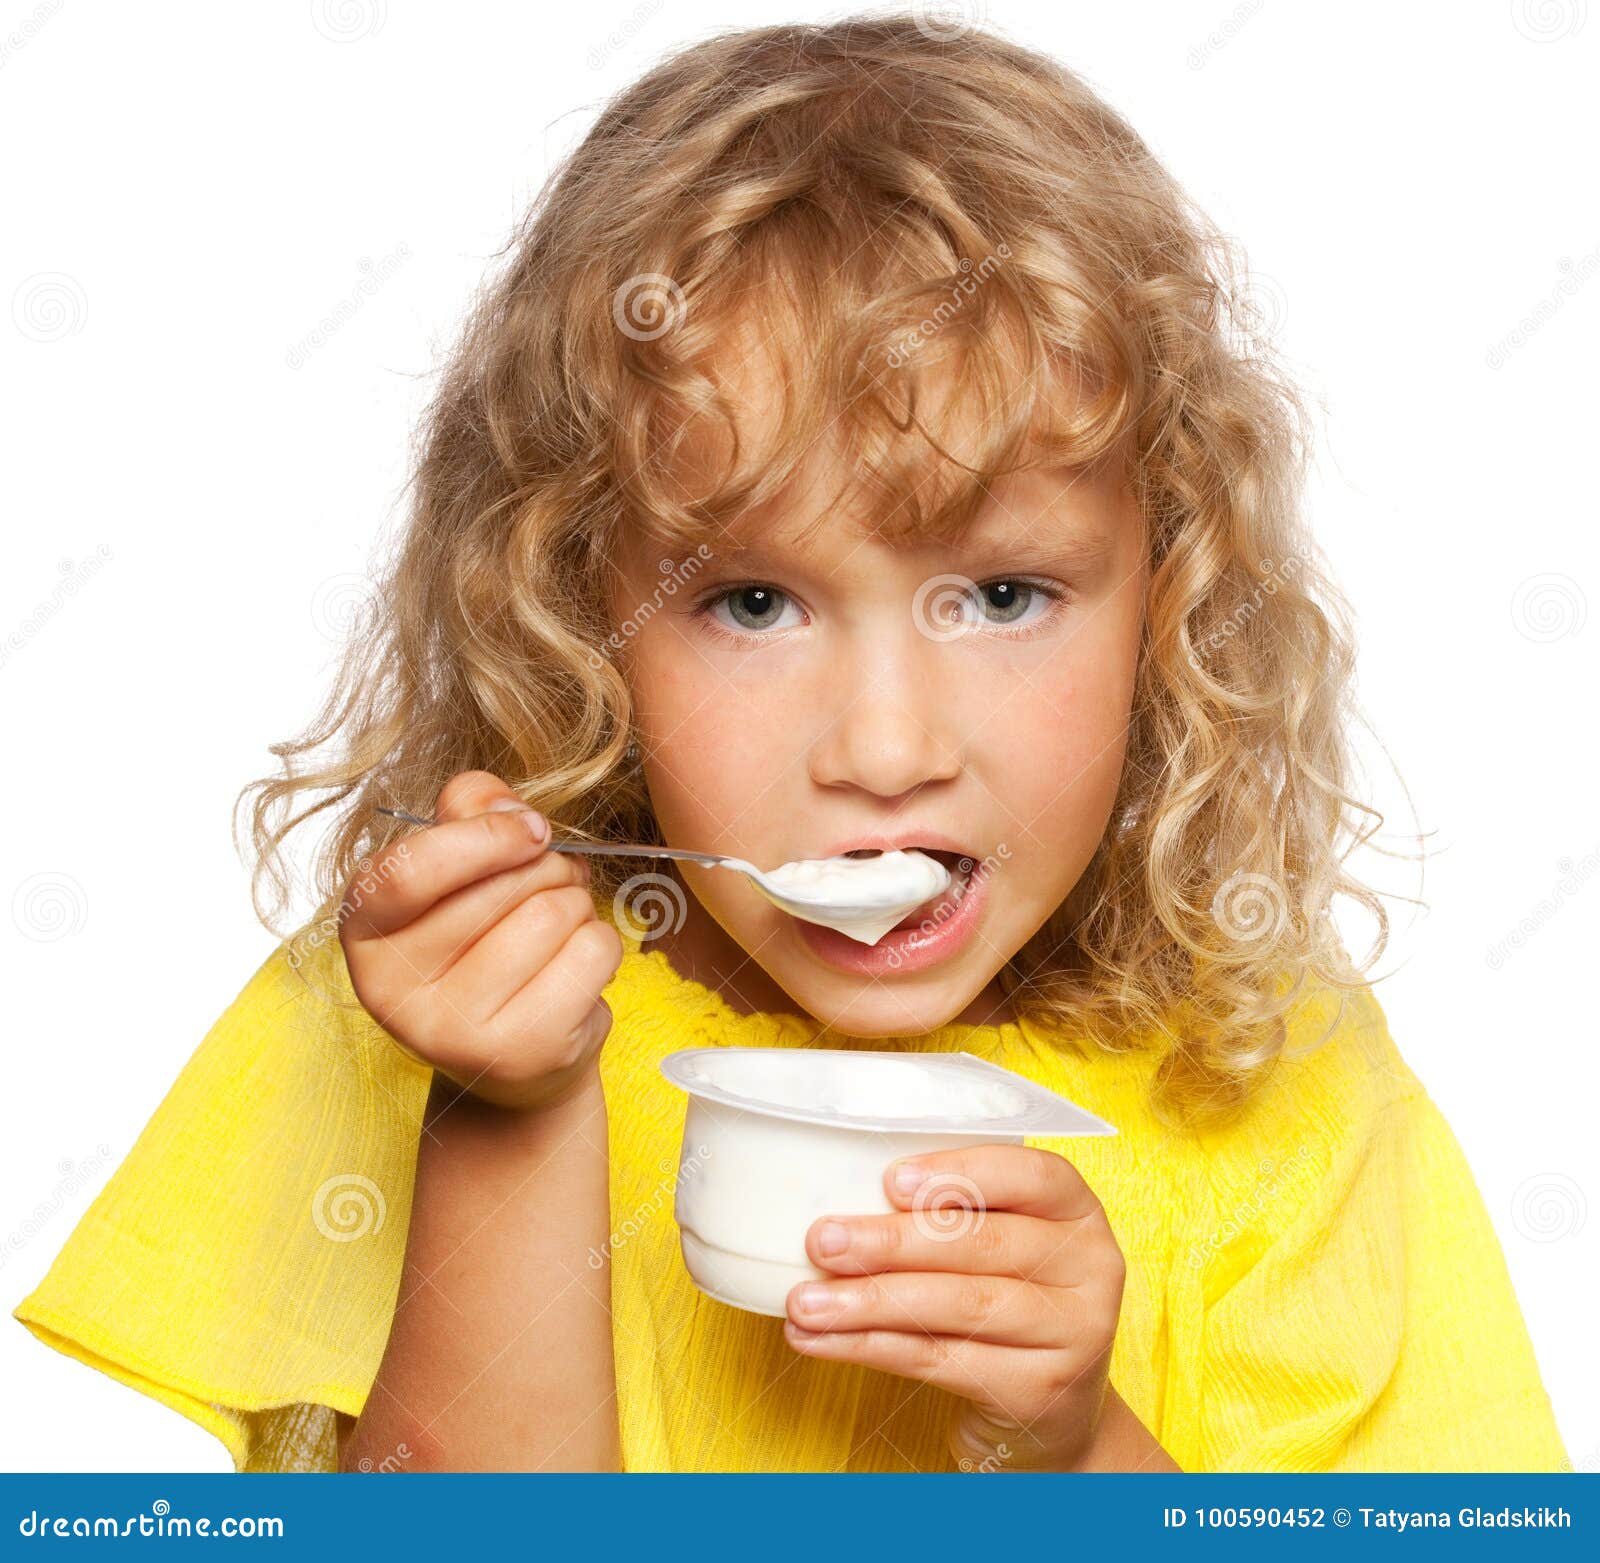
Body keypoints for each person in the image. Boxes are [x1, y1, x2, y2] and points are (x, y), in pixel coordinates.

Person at [14, 14, 1569, 1474]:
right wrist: (518, 1108)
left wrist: (1078, 1451)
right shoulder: (443, 1001)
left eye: (1004, 593)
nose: (885, 748)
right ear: (575, 609)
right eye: (752, 602)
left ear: (1169, 598)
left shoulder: (1264, 1072)